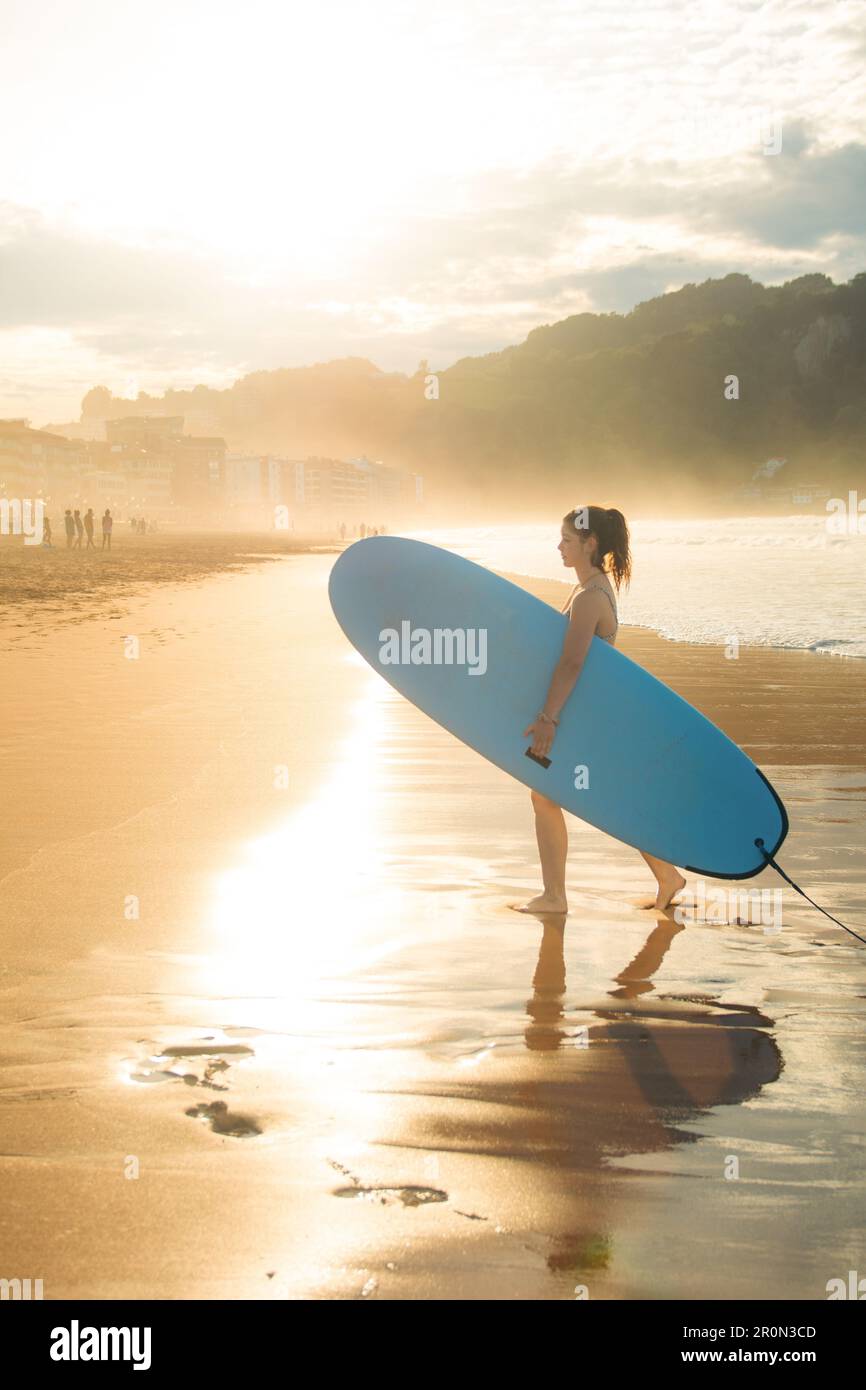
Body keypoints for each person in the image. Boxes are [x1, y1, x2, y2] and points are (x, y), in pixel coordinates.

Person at [516, 505, 686, 915]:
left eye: (567, 541)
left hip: (583, 719)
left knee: (563, 796)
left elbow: (572, 662)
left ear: (590, 544)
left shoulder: (590, 597)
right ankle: (665, 875)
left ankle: (557, 896)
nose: (560, 547)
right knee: (560, 795)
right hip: (590, 716)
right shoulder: (590, 589)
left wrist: (548, 719)